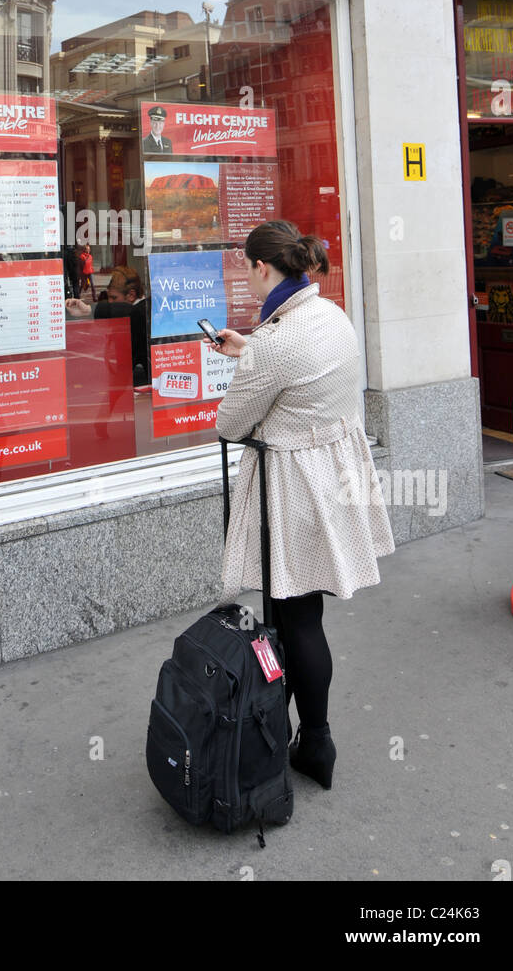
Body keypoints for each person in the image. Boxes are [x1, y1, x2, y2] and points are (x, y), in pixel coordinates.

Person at [209, 220, 394, 790]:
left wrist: (250, 356)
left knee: (292, 619)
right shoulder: (331, 316)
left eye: (246, 266)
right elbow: (300, 377)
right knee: (304, 616)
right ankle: (314, 740)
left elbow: (229, 423)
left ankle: (288, 740)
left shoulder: (274, 343)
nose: (246, 275)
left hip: (292, 489)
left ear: (263, 268)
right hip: (334, 478)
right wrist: (250, 350)